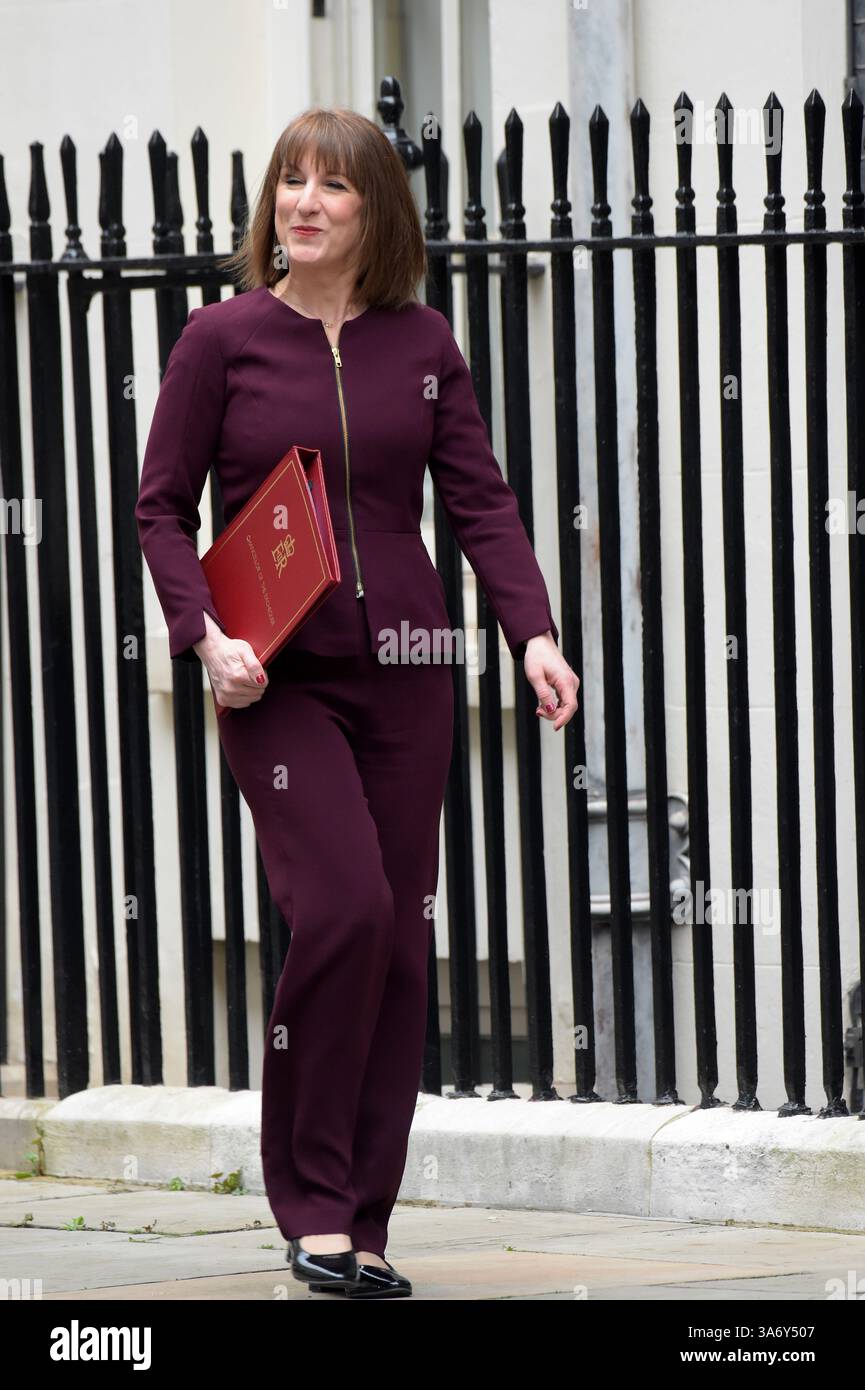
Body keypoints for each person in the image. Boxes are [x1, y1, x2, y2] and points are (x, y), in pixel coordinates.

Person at [135, 105, 580, 1300]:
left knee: (396, 936)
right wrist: (206, 635)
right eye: (292, 182)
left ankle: (362, 1223)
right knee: (337, 908)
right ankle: (309, 1200)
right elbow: (160, 509)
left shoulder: (422, 342)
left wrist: (529, 630)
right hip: (275, 677)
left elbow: (477, 500)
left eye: (333, 185)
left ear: (375, 209)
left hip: (412, 670)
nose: (306, 202)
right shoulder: (220, 341)